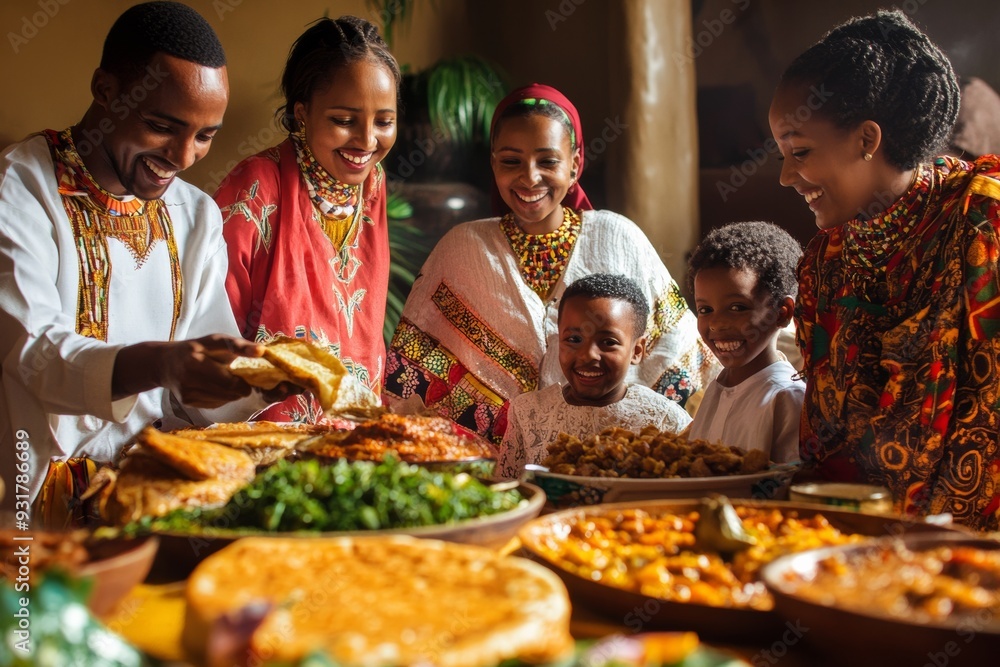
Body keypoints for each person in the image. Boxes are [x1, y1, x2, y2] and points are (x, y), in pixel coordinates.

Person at [0, 2, 285, 521]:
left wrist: (254, 379)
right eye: (161, 125)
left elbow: (196, 402)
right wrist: (161, 363)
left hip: (150, 505)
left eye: (205, 135)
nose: (183, 156)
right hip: (36, 511)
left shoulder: (194, 214)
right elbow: (34, 353)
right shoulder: (20, 187)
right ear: (105, 90)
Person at [769, 10, 1000, 529]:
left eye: (799, 151)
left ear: (866, 139)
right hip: (841, 549)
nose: (786, 176)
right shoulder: (827, 260)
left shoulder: (982, 223)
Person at [384, 84, 717, 444]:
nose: (530, 177)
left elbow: (679, 349)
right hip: (491, 471)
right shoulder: (462, 247)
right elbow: (412, 374)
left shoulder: (619, 237)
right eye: (511, 161)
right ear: (493, 163)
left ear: (574, 165)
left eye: (547, 161)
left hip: (614, 460)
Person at [214, 16, 399, 423]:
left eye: (384, 122)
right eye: (344, 120)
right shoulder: (256, 188)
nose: (367, 142)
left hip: (351, 439)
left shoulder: (372, 183)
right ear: (302, 113)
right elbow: (214, 334)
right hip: (263, 440)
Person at [497, 274, 691, 478]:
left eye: (608, 342)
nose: (587, 355)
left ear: (636, 350)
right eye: (574, 339)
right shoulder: (528, 412)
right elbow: (506, 490)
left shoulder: (667, 420)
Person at [687, 222, 804, 463]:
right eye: (705, 309)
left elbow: (790, 484)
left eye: (737, 307)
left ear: (782, 313)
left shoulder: (787, 397)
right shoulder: (717, 387)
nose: (717, 324)